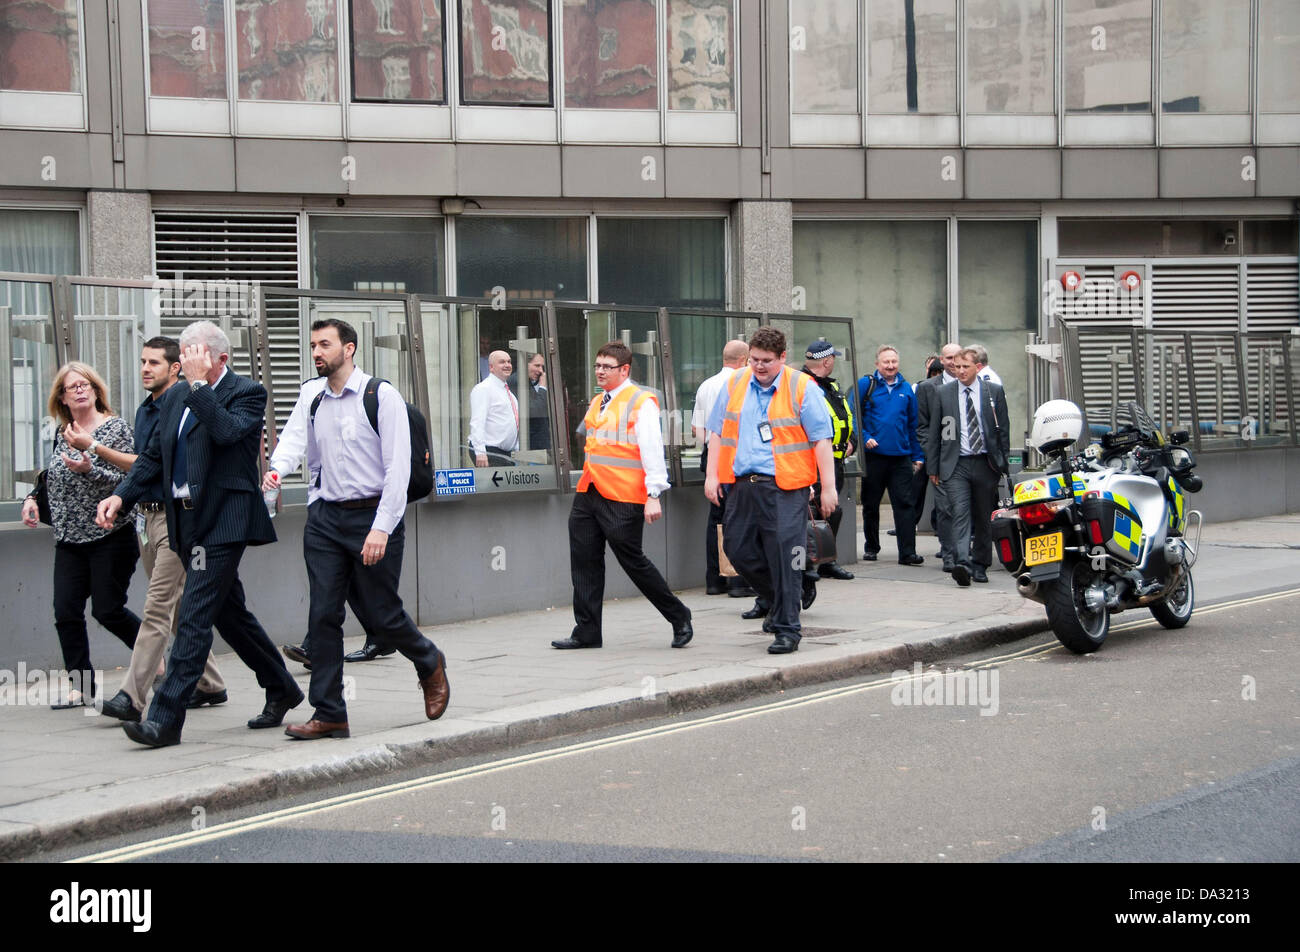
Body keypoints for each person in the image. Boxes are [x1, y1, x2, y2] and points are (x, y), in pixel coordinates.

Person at [96, 320, 304, 747]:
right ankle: (282, 686)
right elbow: (153, 457)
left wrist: (197, 387)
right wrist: (122, 496)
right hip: (185, 521)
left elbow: (227, 432)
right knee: (231, 616)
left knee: (192, 615)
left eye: (195, 354)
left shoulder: (246, 392)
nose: (186, 360)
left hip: (225, 520)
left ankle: (165, 720)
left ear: (220, 359)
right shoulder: (174, 398)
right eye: (185, 353)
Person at [265, 318, 449, 738]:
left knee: (381, 616)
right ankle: (329, 712)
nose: (316, 352)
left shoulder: (381, 396)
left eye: (324, 344)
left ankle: (428, 660)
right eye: (312, 344)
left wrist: (381, 528)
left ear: (349, 349)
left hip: (374, 515)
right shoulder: (311, 394)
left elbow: (398, 469)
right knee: (323, 615)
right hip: (326, 518)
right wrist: (276, 472)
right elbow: (293, 440)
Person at [65, 338, 228, 722]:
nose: (144, 368)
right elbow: (142, 469)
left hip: (177, 520)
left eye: (153, 362)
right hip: (146, 519)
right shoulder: (145, 410)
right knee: (174, 610)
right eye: (142, 361)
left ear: (175, 368)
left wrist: (95, 449)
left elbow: (147, 462)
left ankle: (131, 697)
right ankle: (211, 682)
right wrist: (121, 498)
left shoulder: (184, 407)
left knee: (156, 607)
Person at [552, 341, 693, 650]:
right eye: (598, 366)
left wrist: (654, 493)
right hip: (589, 491)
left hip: (623, 495)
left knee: (633, 562)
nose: (600, 372)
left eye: (607, 367)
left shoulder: (642, 401)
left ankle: (678, 615)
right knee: (584, 562)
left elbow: (652, 448)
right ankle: (587, 631)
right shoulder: (597, 401)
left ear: (625, 369)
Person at [705, 327, 836, 655]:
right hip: (742, 485)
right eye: (754, 359)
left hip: (786, 487)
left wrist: (828, 487)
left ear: (782, 358)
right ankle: (785, 597)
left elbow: (821, 439)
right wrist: (711, 476)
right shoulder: (735, 383)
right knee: (736, 549)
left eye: (766, 361)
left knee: (786, 556)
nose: (759, 366)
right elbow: (718, 433)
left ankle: (788, 628)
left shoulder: (802, 386)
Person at [21, 362, 139, 708]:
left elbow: (132, 477)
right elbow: (51, 477)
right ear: (62, 397)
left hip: (110, 535)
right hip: (69, 538)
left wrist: (91, 469)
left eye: (86, 384)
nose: (80, 390)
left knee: (108, 610)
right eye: (72, 387)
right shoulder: (63, 432)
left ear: (96, 389)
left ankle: (154, 657)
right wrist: (31, 498)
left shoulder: (114, 428)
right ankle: (82, 686)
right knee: (66, 611)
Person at [924, 348, 1010, 587]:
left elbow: (1003, 429)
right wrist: (933, 467)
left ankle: (981, 564)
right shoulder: (944, 393)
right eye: (957, 366)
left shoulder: (993, 391)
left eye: (965, 367)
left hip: (985, 462)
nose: (960, 371)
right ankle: (962, 562)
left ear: (977, 368)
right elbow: (935, 433)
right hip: (956, 463)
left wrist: (1002, 464)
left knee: (983, 515)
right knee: (959, 512)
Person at [691, 339, 752, 597]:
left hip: (712, 455)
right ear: (744, 360)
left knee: (716, 520)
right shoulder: (746, 383)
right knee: (739, 518)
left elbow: (698, 429)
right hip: (737, 456)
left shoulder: (707, 385)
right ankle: (738, 581)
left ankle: (714, 580)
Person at [857, 345, 924, 566]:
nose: (890, 366)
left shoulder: (906, 389)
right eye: (886, 362)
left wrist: (918, 455)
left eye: (894, 362)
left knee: (905, 505)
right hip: (874, 457)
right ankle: (871, 547)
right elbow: (853, 417)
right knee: (871, 504)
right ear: (877, 364)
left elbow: (913, 424)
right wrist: (865, 436)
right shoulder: (865, 385)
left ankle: (907, 553)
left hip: (901, 458)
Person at [801, 338, 855, 581]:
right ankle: (809, 565)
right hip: (814, 461)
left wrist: (850, 440)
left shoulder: (830, 386)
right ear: (827, 360)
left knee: (831, 512)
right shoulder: (806, 386)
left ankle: (826, 562)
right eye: (833, 359)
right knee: (815, 513)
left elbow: (843, 416)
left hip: (836, 459)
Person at [916, 342, 962, 568]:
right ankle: (949, 554)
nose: (953, 362)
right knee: (944, 507)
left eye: (957, 357)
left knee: (965, 507)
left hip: (968, 457)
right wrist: (931, 453)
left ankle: (964, 552)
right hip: (941, 458)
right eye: (949, 358)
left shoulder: (972, 384)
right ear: (940, 361)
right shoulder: (927, 388)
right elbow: (922, 425)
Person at [468, 350, 519, 466]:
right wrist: (480, 452)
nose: (507, 365)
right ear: (491, 367)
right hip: (489, 451)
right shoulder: (483, 389)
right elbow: (477, 422)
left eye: (509, 362)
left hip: (506, 453)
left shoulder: (509, 393)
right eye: (502, 362)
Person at [525, 353, 551, 451]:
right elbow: (535, 410)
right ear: (525, 364)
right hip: (531, 445)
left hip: (541, 443)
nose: (540, 370)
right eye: (537, 365)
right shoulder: (518, 382)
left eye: (542, 367)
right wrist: (543, 387)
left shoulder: (534, 381)